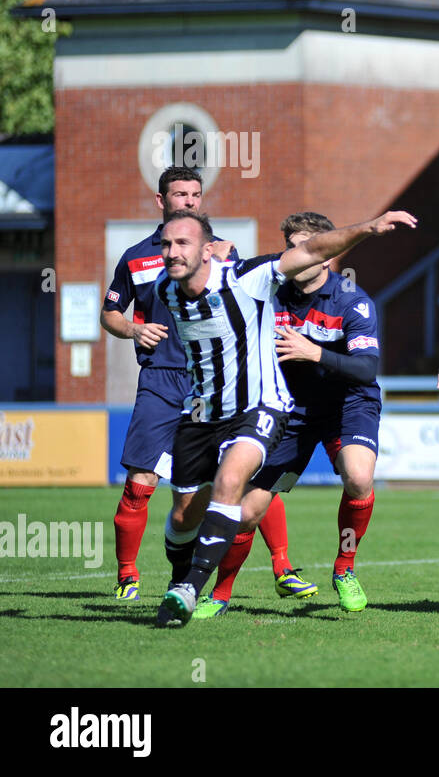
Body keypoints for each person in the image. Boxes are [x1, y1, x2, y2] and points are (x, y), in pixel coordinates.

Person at [153, 207, 417, 627]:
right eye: (290, 249)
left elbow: (367, 370)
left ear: (324, 255)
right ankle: (220, 593)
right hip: (288, 410)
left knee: (359, 476)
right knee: (247, 511)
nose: (295, 257)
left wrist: (315, 352)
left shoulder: (352, 301)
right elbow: (230, 277)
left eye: (304, 249)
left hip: (347, 406)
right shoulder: (268, 290)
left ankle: (344, 567)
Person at [100, 166, 314, 603]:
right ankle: (127, 575)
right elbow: (110, 313)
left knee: (246, 476)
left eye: (196, 194)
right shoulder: (137, 259)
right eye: (180, 194)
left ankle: (281, 567)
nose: (190, 201)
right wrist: (133, 331)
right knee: (141, 481)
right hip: (163, 378)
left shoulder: (224, 255)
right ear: (161, 202)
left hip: (221, 383)